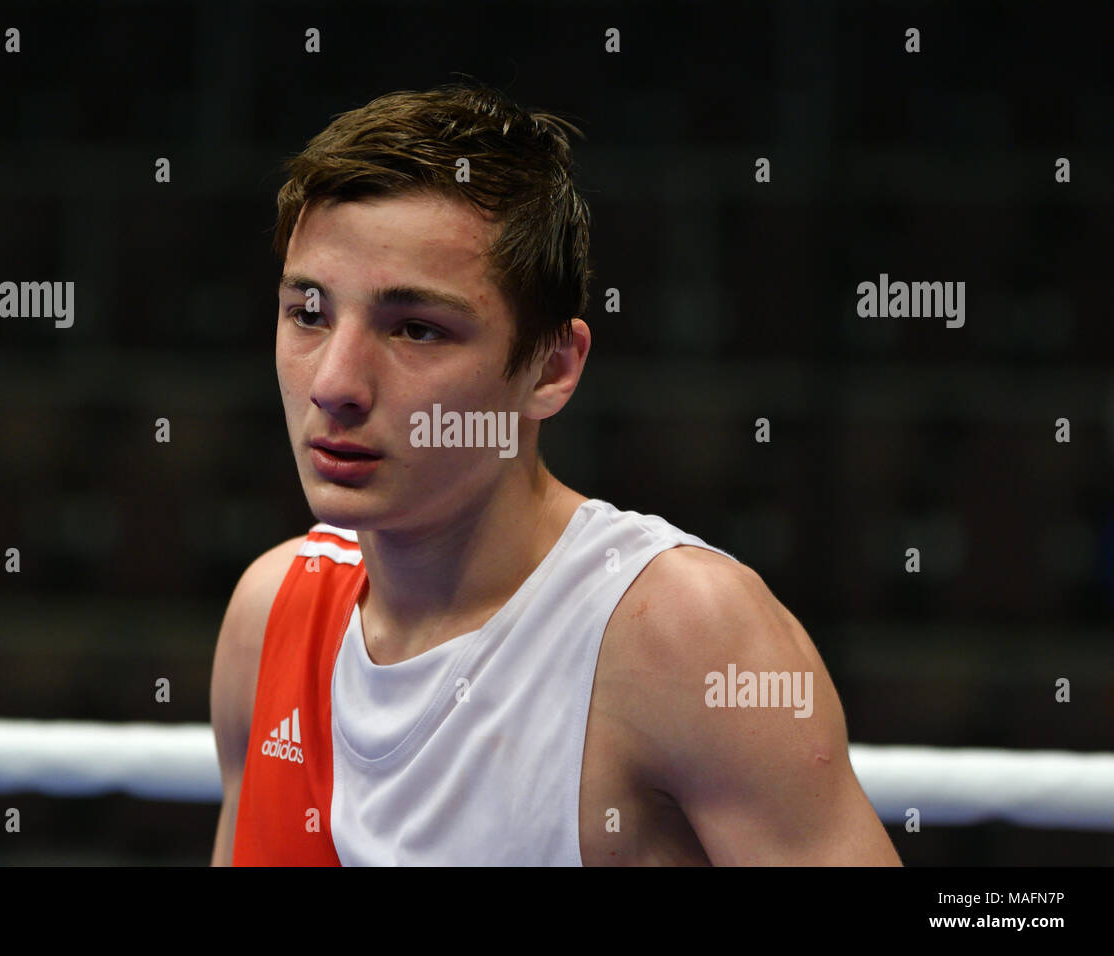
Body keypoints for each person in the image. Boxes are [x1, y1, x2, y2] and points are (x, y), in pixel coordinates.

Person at [210, 80, 901, 866]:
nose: (334, 382)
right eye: (309, 311)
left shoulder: (683, 635)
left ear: (550, 367)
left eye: (416, 328)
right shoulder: (269, 617)